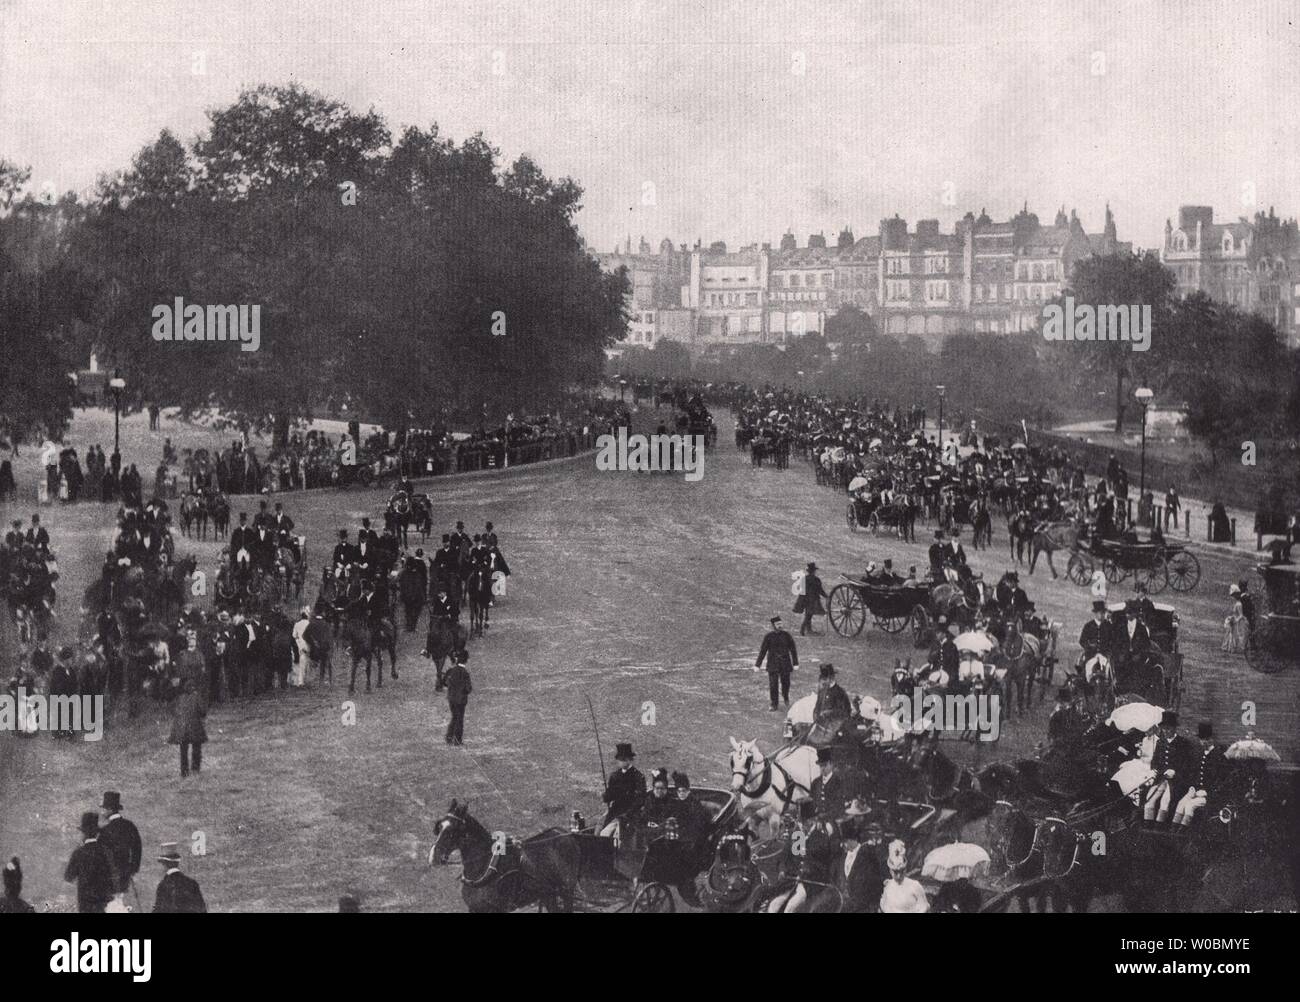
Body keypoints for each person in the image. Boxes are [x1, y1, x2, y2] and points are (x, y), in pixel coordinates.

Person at [1172, 722, 1227, 828]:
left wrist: (1207, 792)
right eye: (1201, 740)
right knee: (1181, 804)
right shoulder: (1199, 754)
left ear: (1212, 739)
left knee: (1189, 806)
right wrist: (1192, 786)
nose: (1203, 742)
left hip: (1210, 795)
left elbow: (1220, 779)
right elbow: (1194, 774)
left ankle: (1183, 831)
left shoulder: (1218, 756)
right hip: (1196, 791)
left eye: (1206, 739)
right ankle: (1174, 831)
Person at [1144, 711, 1193, 826]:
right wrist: (1154, 770)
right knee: (1149, 800)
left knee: (1165, 802)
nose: (1166, 732)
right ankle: (1147, 828)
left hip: (1176, 782)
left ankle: (1159, 828)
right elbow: (1155, 761)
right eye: (1163, 729)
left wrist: (1175, 772)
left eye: (1168, 729)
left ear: (1174, 728)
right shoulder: (1161, 742)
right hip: (1161, 779)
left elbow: (1187, 765)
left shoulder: (1183, 743)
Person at [64, 812, 117, 913]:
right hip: (102, 903)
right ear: (96, 833)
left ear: (83, 833)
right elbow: (113, 879)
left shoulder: (78, 853)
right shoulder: (105, 851)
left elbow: (68, 876)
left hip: (85, 903)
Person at [169, 646, 208, 777]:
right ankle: (196, 768)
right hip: (195, 727)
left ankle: (184, 771)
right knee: (197, 746)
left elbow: (175, 711)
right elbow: (203, 711)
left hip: (182, 729)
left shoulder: (180, 698)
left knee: (183, 749)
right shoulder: (196, 696)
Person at [98, 791, 142, 904]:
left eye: (103, 809)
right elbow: (137, 848)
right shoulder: (130, 826)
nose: (102, 812)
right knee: (119, 901)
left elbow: (100, 856)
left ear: (110, 810)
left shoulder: (105, 831)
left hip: (108, 877)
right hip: (125, 875)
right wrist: (133, 868)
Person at [600, 743, 646, 833]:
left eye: (624, 759)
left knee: (607, 833)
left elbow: (640, 800)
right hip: (614, 812)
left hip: (630, 814)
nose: (621, 762)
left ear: (630, 760)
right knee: (599, 830)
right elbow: (611, 794)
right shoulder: (615, 776)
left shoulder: (638, 777)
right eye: (620, 759)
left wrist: (627, 814)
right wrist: (606, 796)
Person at [755, 615, 798, 711]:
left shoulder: (787, 635)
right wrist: (758, 665)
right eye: (778, 624)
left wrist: (795, 663)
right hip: (773, 664)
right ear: (773, 625)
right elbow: (763, 651)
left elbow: (793, 650)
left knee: (786, 683)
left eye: (781, 624)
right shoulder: (768, 637)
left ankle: (785, 695)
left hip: (785, 663)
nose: (780, 626)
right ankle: (774, 704)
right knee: (773, 684)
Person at [152, 843, 206, 913]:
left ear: (164, 865)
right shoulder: (192, 883)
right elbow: (202, 909)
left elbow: (159, 910)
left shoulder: (163, 885)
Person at [879, 838, 929, 913]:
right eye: (895, 873)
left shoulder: (914, 885)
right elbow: (885, 907)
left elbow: (924, 906)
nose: (899, 876)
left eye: (901, 872)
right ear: (890, 871)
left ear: (905, 870)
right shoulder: (888, 887)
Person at [443, 649, 472, 746]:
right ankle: (457, 740)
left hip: (451, 699)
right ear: (466, 660)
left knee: (454, 717)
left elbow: (444, 682)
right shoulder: (465, 673)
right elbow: (468, 688)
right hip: (461, 700)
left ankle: (449, 737)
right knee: (459, 719)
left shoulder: (451, 670)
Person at [794, 562, 826, 636]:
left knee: (808, 614)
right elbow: (820, 590)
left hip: (804, 599)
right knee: (809, 615)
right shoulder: (816, 579)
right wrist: (826, 596)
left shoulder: (804, 579)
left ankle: (808, 629)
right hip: (813, 599)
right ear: (814, 571)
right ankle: (803, 630)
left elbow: (801, 589)